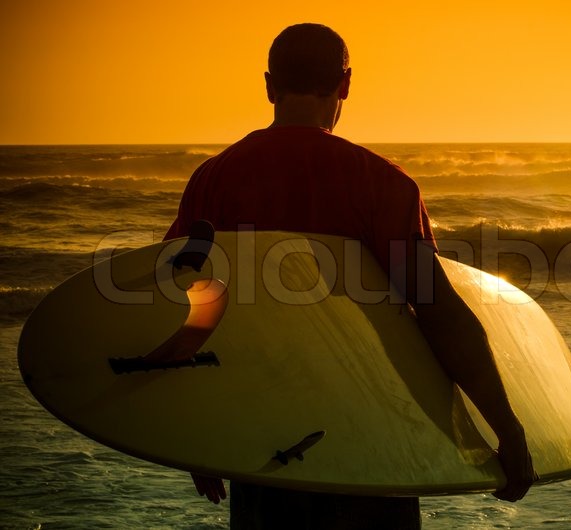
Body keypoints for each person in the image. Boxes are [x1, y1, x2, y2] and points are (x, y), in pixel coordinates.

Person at [165, 23, 536, 529]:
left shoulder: (213, 179)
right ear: (345, 84)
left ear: (269, 85)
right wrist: (507, 430)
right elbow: (436, 312)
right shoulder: (380, 183)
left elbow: (185, 306)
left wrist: (194, 434)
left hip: (260, 434)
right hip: (371, 429)